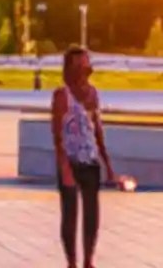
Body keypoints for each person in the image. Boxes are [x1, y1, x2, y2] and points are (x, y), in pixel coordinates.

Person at [52, 46, 117, 268]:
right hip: (70, 161)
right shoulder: (62, 96)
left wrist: (108, 165)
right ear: (69, 69)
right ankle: (72, 262)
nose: (84, 68)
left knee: (92, 214)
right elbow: (57, 135)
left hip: (90, 160)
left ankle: (89, 260)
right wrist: (65, 168)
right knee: (69, 215)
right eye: (79, 64)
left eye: (86, 63)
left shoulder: (93, 94)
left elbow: (96, 129)